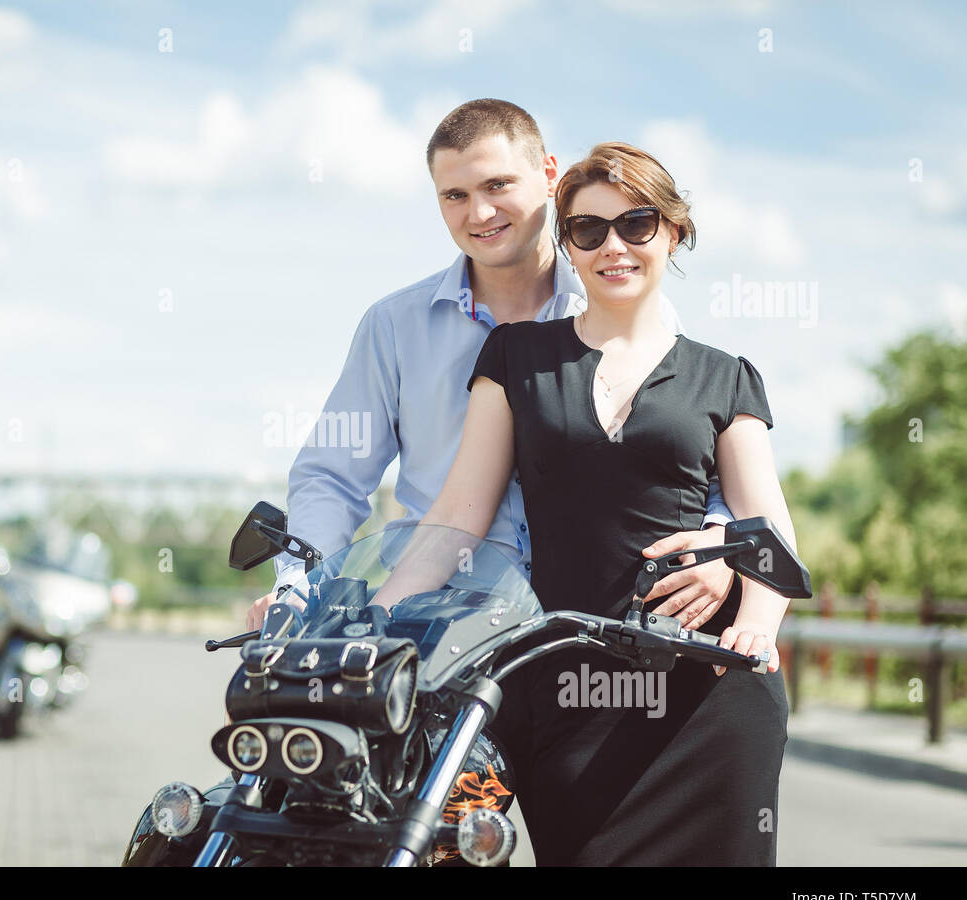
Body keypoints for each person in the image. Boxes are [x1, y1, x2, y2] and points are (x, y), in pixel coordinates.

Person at [371, 141, 795, 866]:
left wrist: (753, 627)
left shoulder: (726, 377)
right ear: (566, 245)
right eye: (588, 230)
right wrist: (378, 620)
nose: (613, 246)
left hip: (708, 694)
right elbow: (455, 519)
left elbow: (769, 532)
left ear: (673, 230)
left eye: (635, 224)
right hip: (565, 684)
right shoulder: (514, 357)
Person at [247, 100, 735, 640]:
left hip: (588, 619)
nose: (478, 213)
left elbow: (701, 458)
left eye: (498, 185)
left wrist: (720, 537)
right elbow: (332, 476)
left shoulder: (637, 309)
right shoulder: (394, 326)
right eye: (455, 195)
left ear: (550, 176)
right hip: (431, 617)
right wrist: (298, 586)